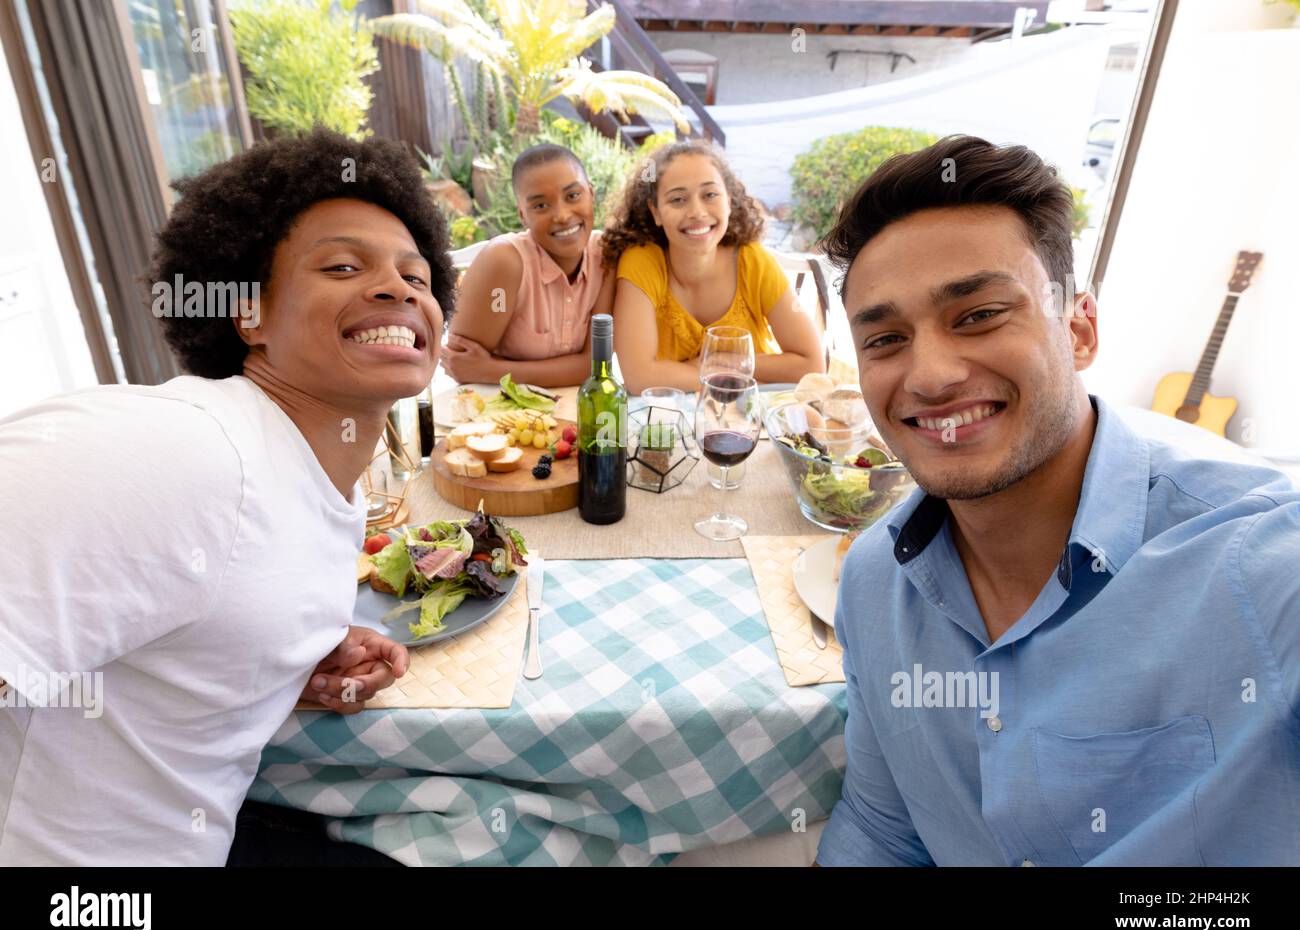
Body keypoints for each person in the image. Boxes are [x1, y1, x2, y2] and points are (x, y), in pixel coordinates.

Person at [815, 135, 1299, 866]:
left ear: (1079, 329)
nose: (932, 375)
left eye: (977, 314)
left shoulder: (1264, 568)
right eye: (885, 338)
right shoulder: (875, 580)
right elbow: (885, 831)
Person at [0, 128, 458, 865]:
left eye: (418, 277)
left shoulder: (313, 478)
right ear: (249, 313)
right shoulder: (184, 450)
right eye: (343, 265)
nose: (397, 288)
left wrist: (271, 660)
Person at [602, 140, 825, 394]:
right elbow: (640, 378)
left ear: (729, 201)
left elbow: (812, 365)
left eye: (710, 195)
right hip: (674, 426)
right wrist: (745, 382)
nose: (697, 211)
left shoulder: (752, 260)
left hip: (754, 421)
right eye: (677, 199)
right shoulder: (642, 262)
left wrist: (726, 362)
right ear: (656, 212)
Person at [441, 143, 613, 388]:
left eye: (572, 196)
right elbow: (462, 366)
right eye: (540, 205)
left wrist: (492, 369)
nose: (562, 215)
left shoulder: (606, 257)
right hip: (498, 411)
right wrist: (486, 372)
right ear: (523, 215)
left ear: (591, 194)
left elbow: (594, 366)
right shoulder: (505, 263)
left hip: (573, 412)